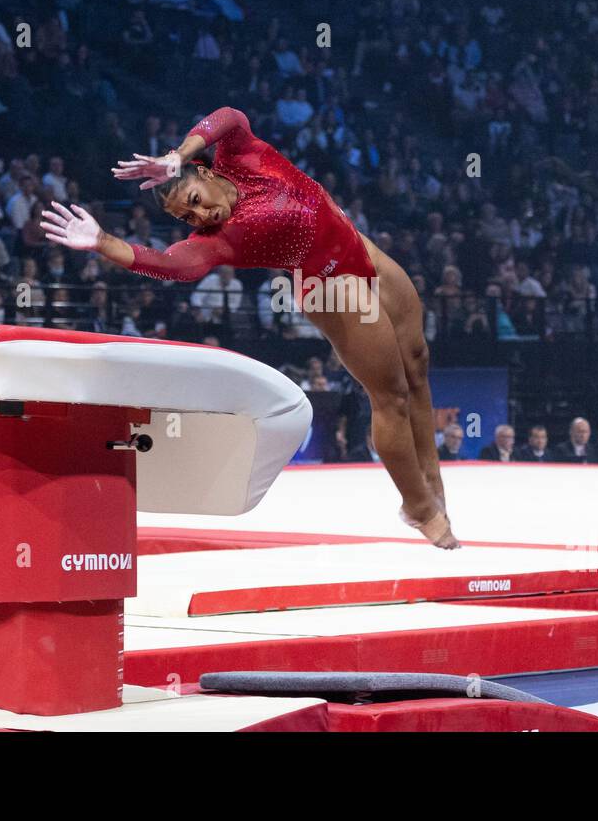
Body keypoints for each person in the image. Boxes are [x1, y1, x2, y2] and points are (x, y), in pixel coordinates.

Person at [43, 106, 457, 547]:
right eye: (186, 219)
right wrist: (103, 242)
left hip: (360, 248)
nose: (200, 218)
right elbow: (170, 265)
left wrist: (175, 155)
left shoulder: (240, 157)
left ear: (202, 172)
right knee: (391, 395)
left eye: (196, 202)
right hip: (330, 288)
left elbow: (230, 116)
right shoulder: (217, 242)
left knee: (417, 364)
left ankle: (433, 479)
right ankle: (418, 506)